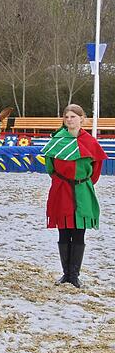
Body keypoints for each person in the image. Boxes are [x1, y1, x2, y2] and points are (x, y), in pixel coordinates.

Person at [42, 104, 107, 288]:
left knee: (79, 233)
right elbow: (50, 167)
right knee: (64, 231)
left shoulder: (90, 142)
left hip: (82, 190)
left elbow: (96, 170)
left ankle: (74, 275)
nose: (69, 120)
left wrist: (82, 182)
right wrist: (62, 181)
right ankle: (65, 274)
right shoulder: (57, 140)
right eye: (67, 117)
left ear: (81, 119)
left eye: (73, 116)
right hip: (61, 189)